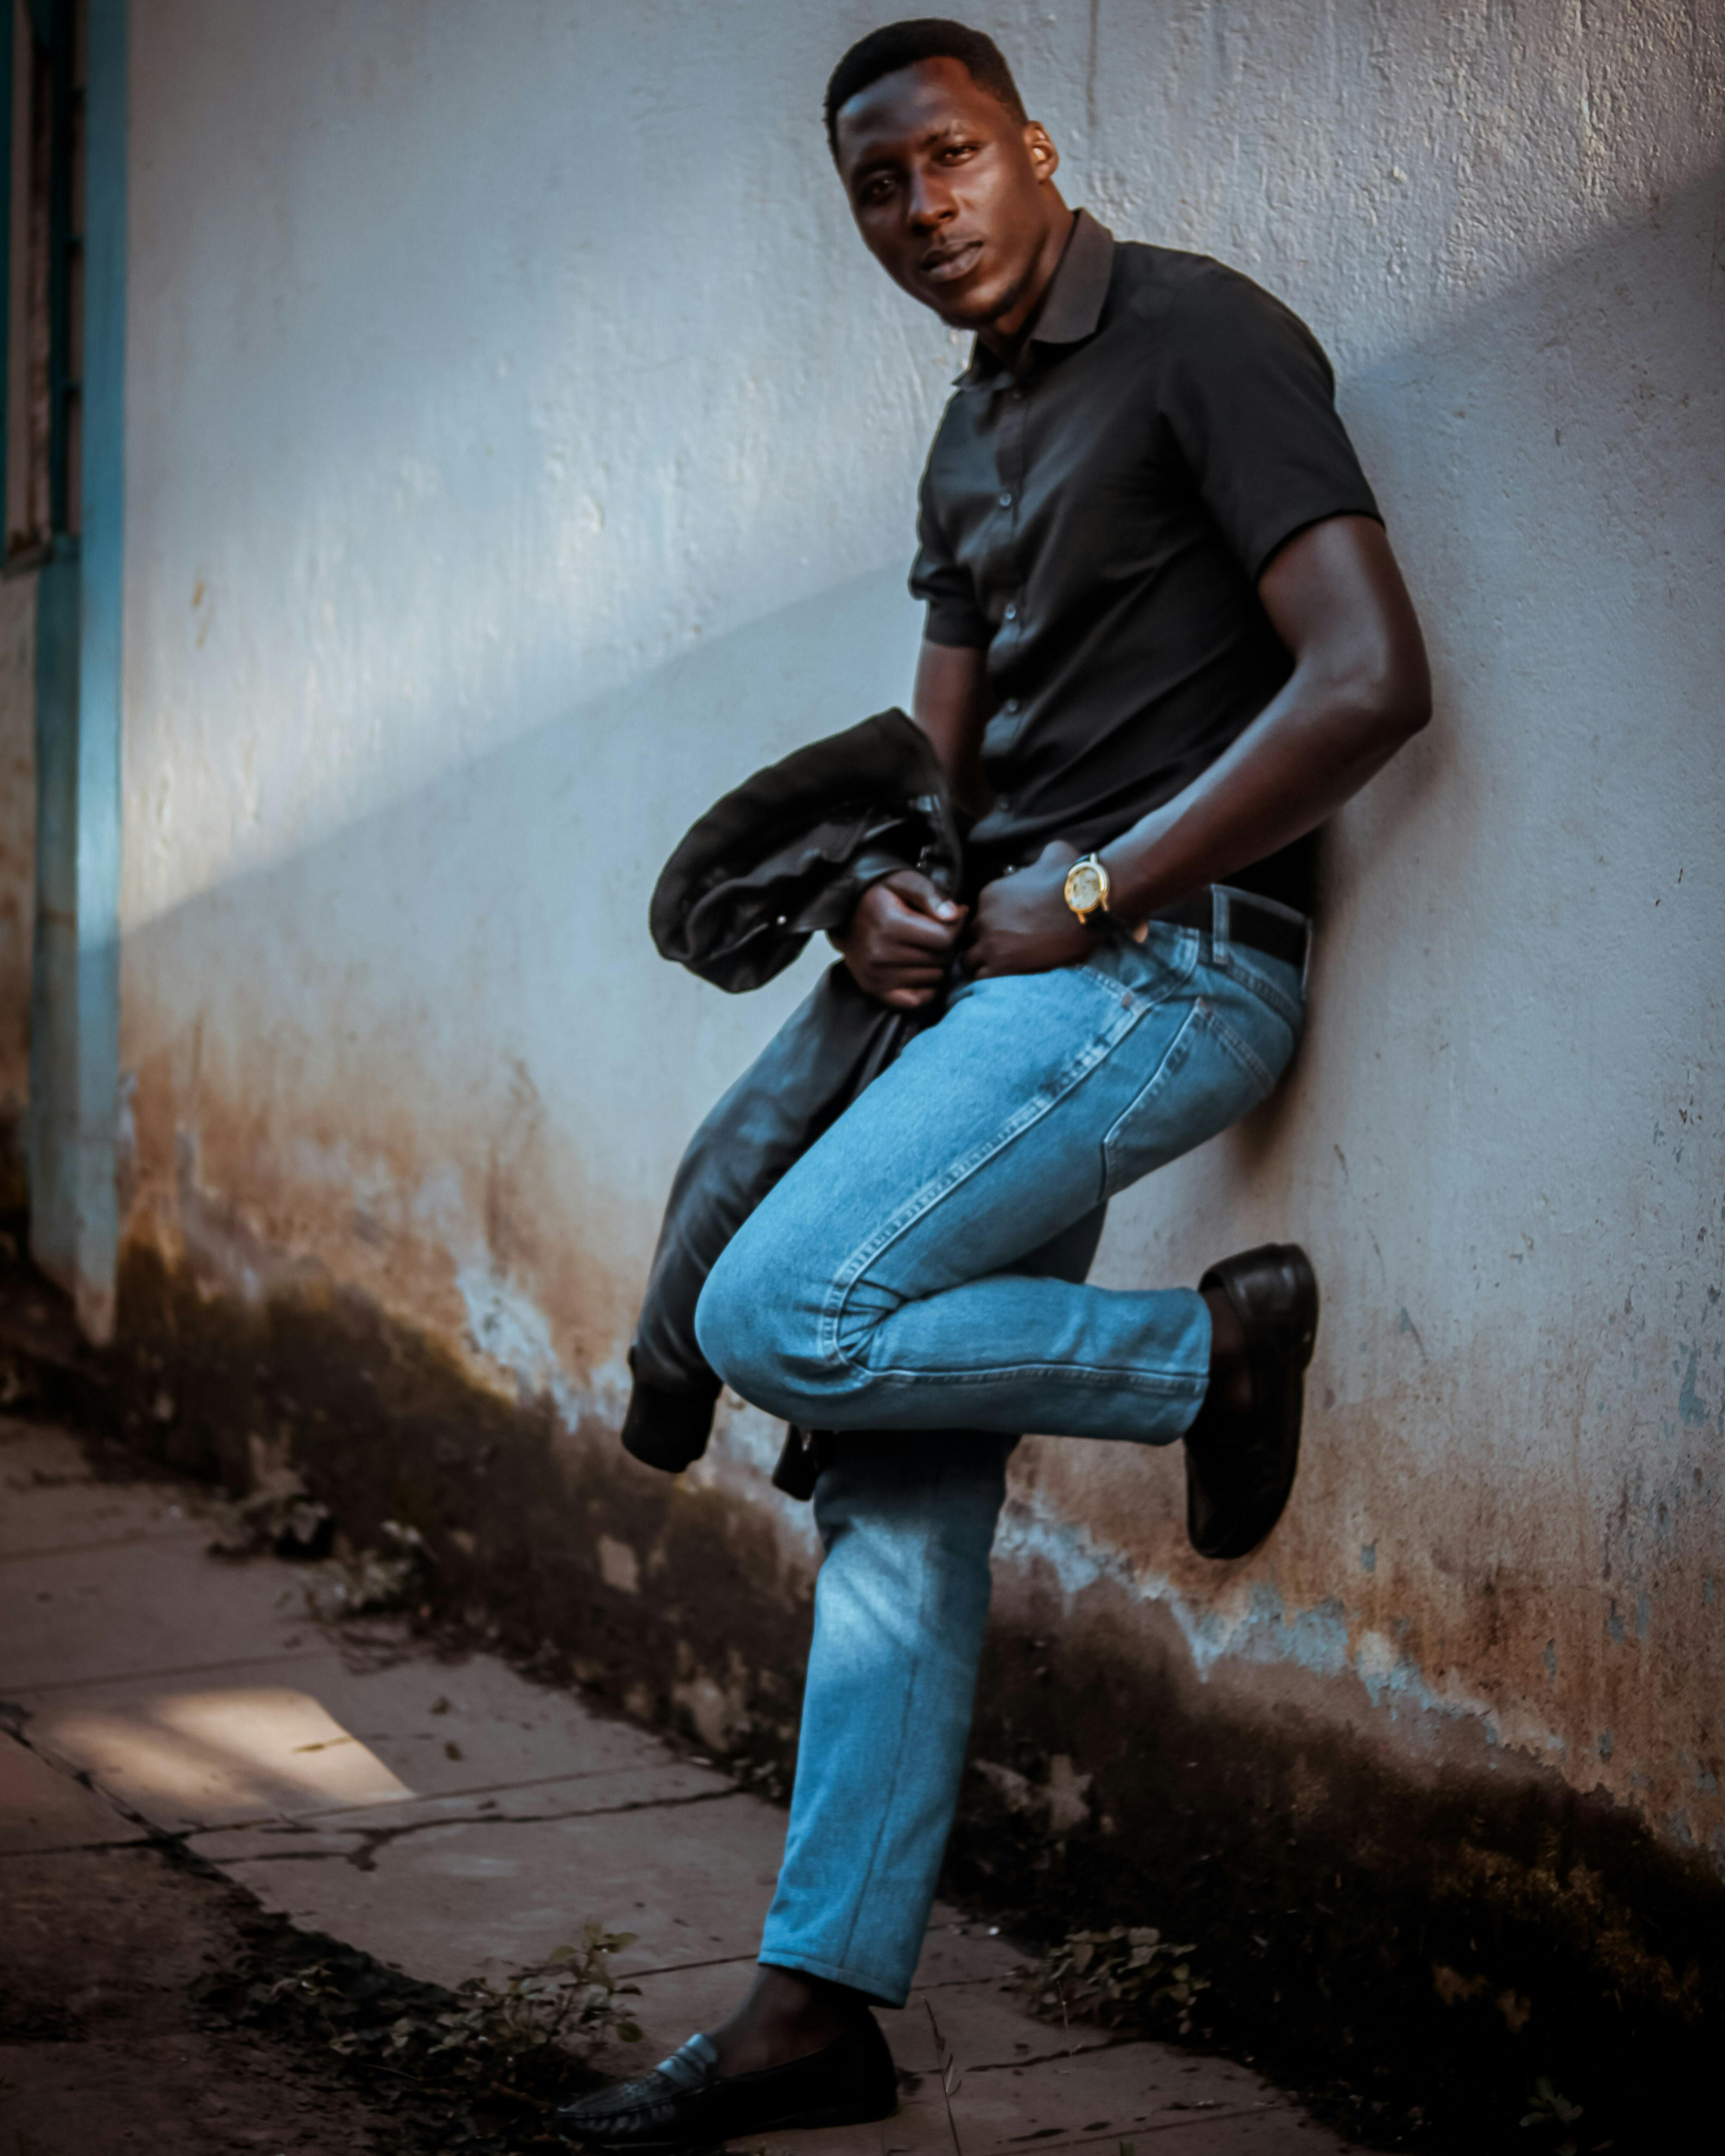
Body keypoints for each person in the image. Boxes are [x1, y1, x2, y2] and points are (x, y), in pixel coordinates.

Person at [559, 17, 1430, 2147]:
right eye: (877, 185)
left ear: (1035, 153)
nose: (919, 208)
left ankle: (1205, 1359)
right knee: (890, 1474)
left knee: (781, 1311)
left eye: (949, 159)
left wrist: (1105, 883)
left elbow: (1375, 676)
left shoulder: (1206, 338)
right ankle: (815, 2009)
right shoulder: (967, 439)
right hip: (1010, 994)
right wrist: (876, 894)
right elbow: (931, 782)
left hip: (1170, 969)